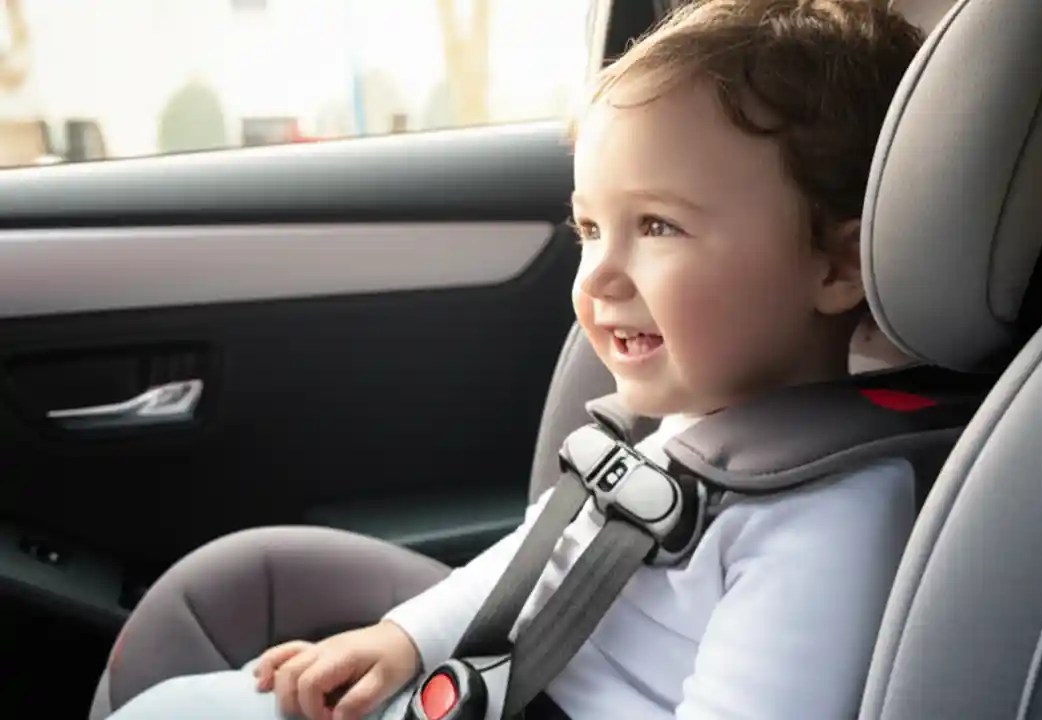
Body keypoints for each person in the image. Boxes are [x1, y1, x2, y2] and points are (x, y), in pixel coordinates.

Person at [106, 1, 924, 718]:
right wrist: (409, 637)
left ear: (835, 266)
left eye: (658, 227)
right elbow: (550, 551)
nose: (597, 276)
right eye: (590, 229)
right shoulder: (696, 425)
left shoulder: (831, 518)